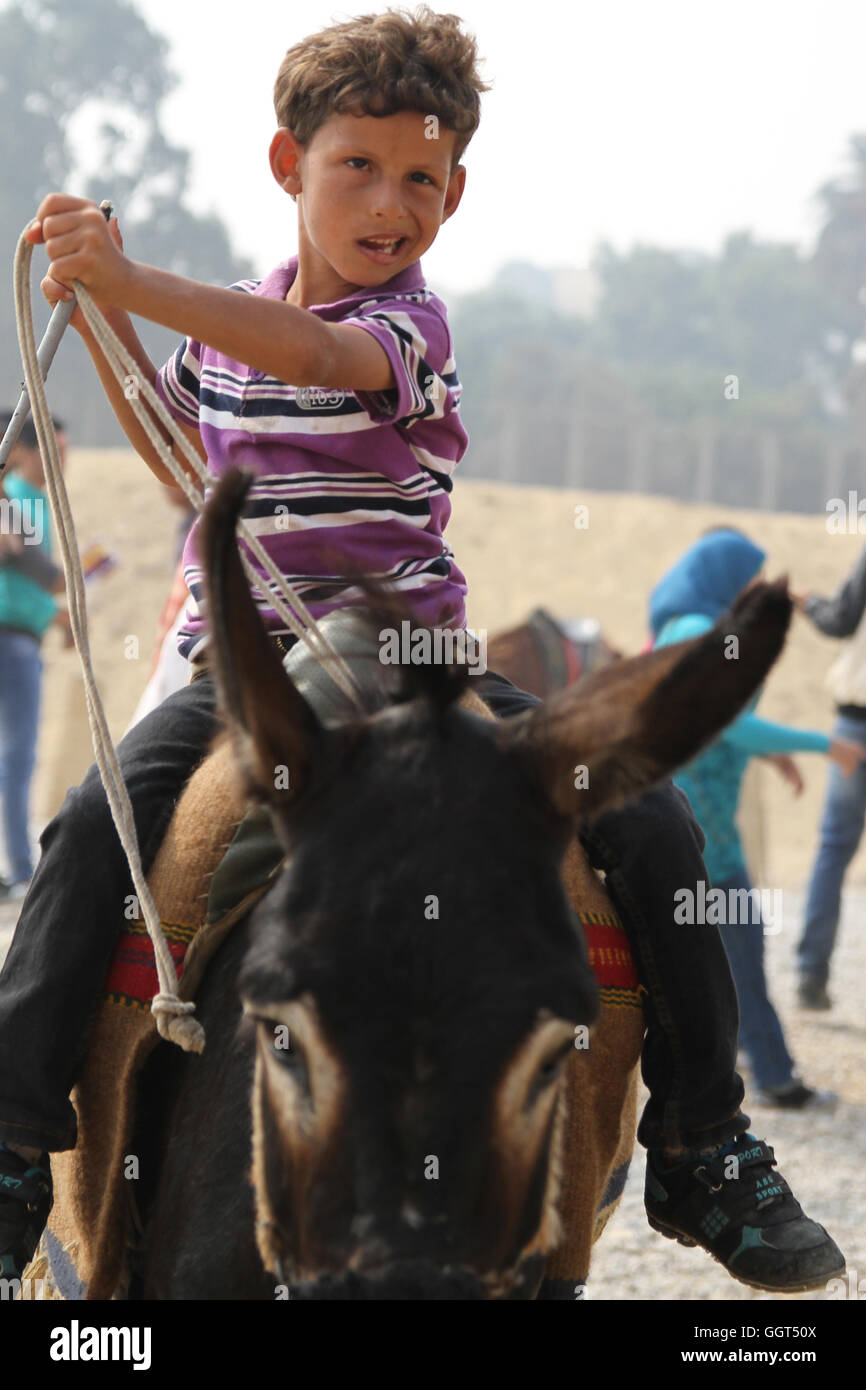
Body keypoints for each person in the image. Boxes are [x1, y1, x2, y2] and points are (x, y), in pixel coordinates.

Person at [0, 9, 844, 1294]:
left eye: (421, 178)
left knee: (654, 822)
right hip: (253, 685)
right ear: (289, 166)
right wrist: (101, 317)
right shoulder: (222, 328)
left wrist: (128, 284)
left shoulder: (408, 330)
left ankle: (701, 1141)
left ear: (455, 195)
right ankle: (13, 1140)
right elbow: (182, 438)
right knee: (80, 842)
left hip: (416, 673)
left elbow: (313, 356)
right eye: (358, 167)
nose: (390, 202)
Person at [649, 528, 863, 1108]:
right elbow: (727, 719)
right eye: (748, 575)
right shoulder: (703, 633)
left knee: (710, 950)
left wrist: (772, 756)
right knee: (742, 941)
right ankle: (775, 1079)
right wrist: (824, 744)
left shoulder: (685, 628)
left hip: (688, 812)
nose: (756, 587)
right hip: (704, 825)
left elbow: (713, 719)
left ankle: (731, 1061)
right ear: (721, 575)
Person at [0, 413, 70, 901]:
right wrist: (58, 600)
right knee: (18, 753)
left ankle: (20, 867)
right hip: (11, 635)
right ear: (22, 451)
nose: (58, 460)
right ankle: (21, 868)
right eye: (51, 449)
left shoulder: (27, 499)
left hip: (23, 632)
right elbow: (27, 561)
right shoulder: (16, 495)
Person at [793, 548, 866, 1008]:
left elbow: (840, 619)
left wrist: (807, 601)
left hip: (854, 723)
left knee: (835, 847)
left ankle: (810, 974)